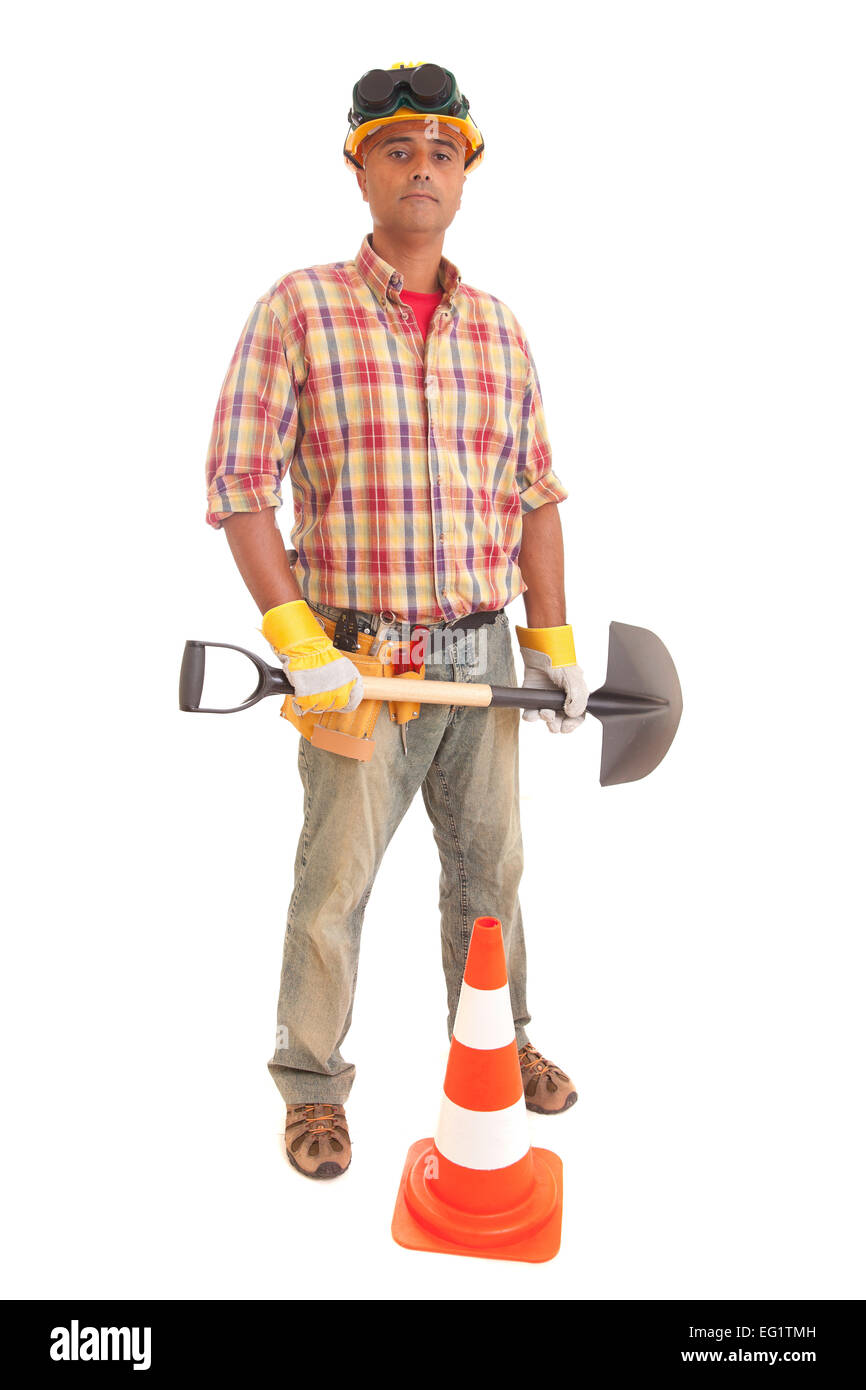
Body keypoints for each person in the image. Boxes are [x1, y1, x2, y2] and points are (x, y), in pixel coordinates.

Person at [204, 63, 589, 1181]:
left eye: (440, 151)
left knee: (490, 876)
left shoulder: (499, 331)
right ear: (359, 167)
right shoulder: (298, 306)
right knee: (335, 879)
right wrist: (301, 644)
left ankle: (499, 1043)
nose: (419, 167)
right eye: (395, 149)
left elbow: (534, 499)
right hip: (358, 659)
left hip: (481, 649)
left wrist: (552, 646)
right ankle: (313, 1086)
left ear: (464, 174)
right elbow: (238, 484)